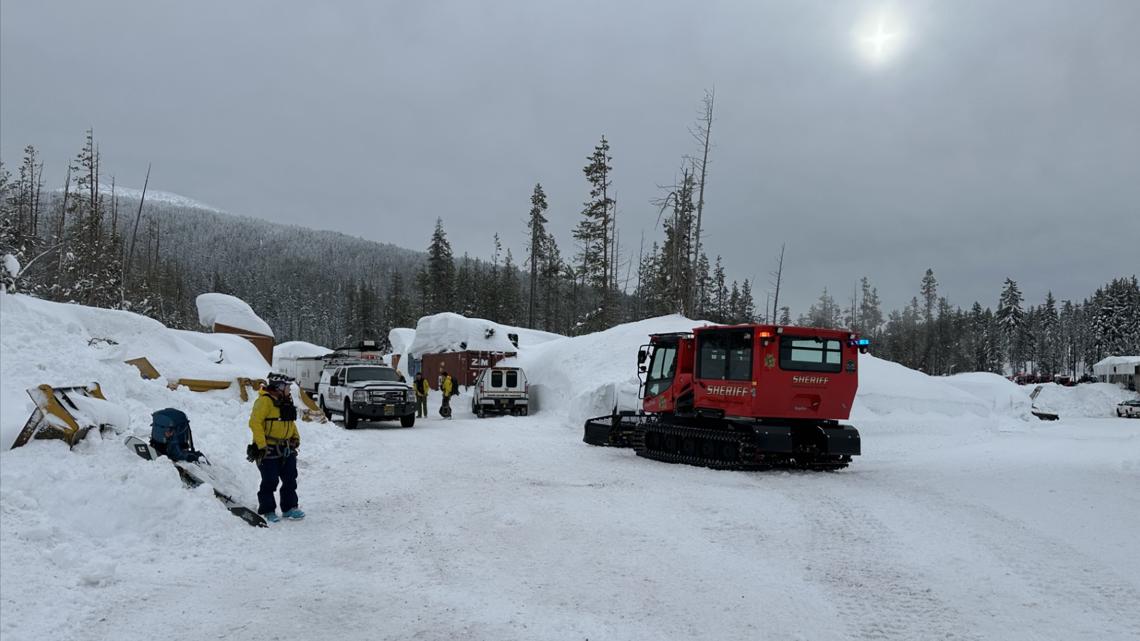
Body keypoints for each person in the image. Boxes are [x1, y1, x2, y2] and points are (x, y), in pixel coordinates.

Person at [248, 374, 304, 523]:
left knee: (290, 478)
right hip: (268, 449)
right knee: (270, 480)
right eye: (287, 387)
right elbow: (255, 423)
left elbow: (290, 423)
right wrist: (261, 445)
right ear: (279, 387)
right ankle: (267, 509)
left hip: (286, 448)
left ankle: (289, 508)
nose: (289, 390)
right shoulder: (264, 401)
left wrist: (295, 437)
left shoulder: (285, 402)